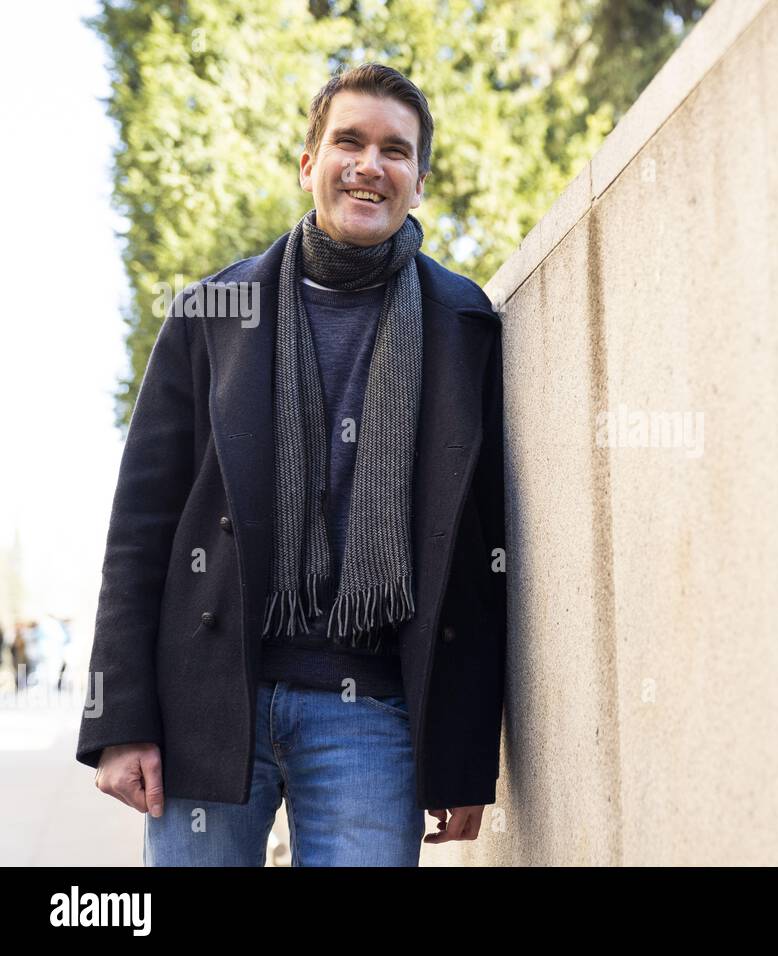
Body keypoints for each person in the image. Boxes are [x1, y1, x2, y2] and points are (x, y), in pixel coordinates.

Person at [76, 63, 507, 866]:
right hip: (209, 700)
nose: (369, 165)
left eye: (395, 150)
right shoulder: (211, 312)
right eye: (348, 140)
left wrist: (462, 752)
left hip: (374, 717)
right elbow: (141, 527)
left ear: (418, 181)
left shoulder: (462, 323)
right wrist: (120, 722)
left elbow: (482, 560)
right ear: (309, 163)